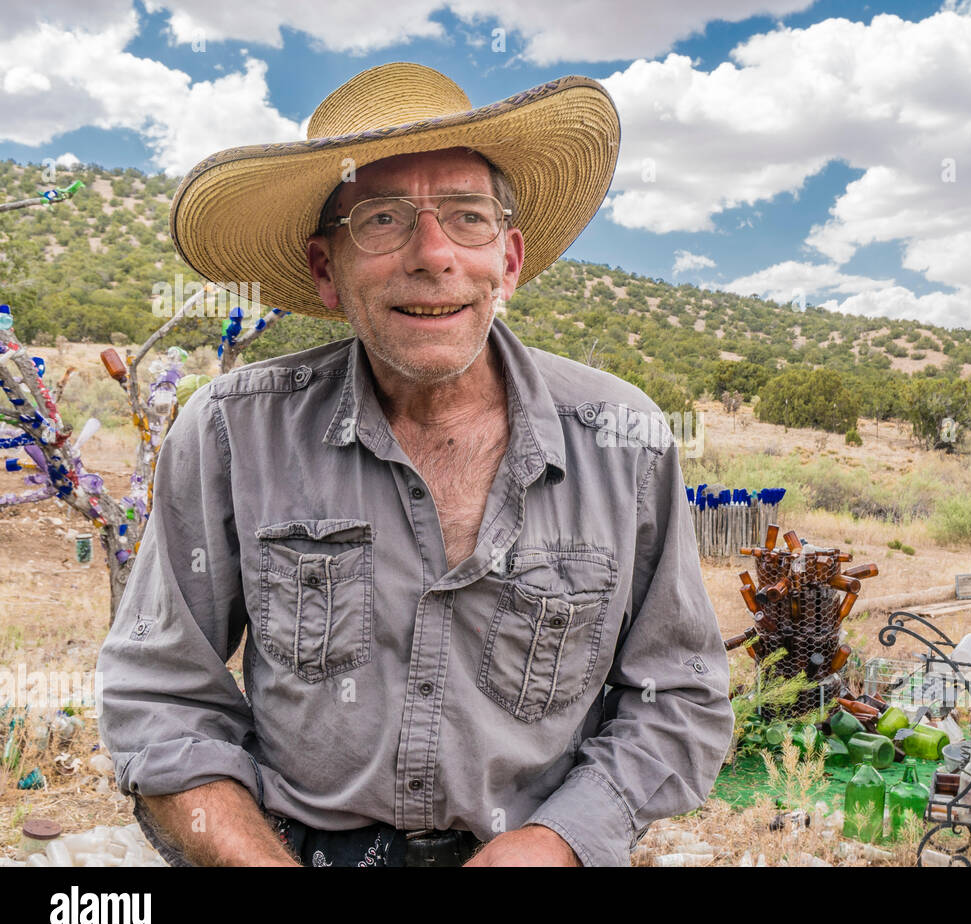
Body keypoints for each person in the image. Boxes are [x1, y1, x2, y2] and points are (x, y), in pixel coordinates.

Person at [96, 62, 733, 867]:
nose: (433, 255)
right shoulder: (232, 432)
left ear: (508, 257)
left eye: (466, 217)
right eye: (383, 220)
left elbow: (679, 696)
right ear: (326, 271)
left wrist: (555, 842)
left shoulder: (624, 436)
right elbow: (160, 699)